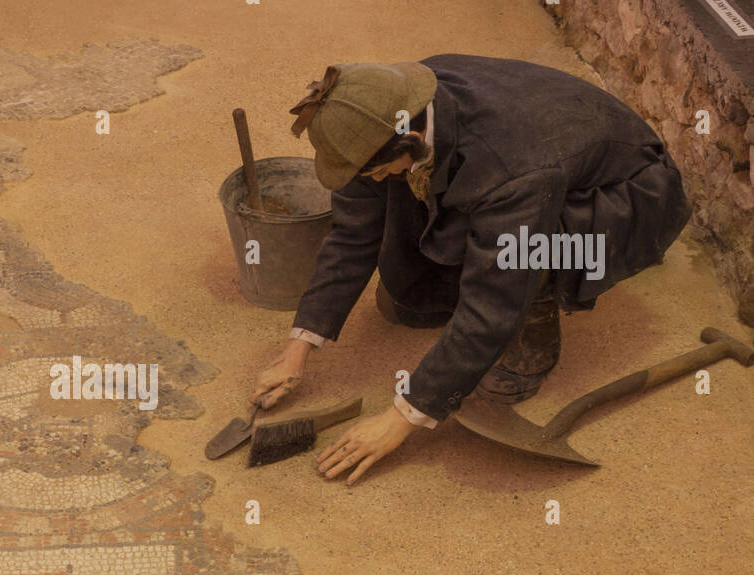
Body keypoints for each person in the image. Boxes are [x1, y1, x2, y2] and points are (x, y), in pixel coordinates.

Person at [252, 55, 690, 484]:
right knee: (410, 297)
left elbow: (493, 296)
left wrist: (404, 415)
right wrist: (300, 345)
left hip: (626, 198)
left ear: (412, 141)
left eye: (379, 168)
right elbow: (351, 236)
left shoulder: (512, 170)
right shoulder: (385, 106)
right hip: (528, 162)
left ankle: (534, 336)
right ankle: (463, 271)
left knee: (516, 258)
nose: (375, 177)